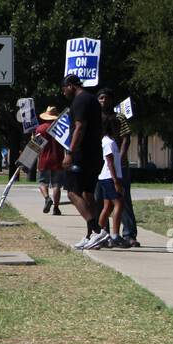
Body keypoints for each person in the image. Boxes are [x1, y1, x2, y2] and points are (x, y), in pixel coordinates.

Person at [61, 74, 103, 249]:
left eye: (64, 89)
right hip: (94, 153)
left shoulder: (80, 101)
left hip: (81, 154)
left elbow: (80, 127)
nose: (63, 93)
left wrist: (70, 152)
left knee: (72, 192)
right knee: (87, 194)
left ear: (71, 86)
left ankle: (97, 230)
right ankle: (91, 236)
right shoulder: (92, 100)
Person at [97, 88, 138, 248]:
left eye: (106, 98)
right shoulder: (94, 118)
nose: (103, 101)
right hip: (101, 166)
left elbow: (126, 138)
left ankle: (129, 235)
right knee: (102, 202)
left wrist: (119, 158)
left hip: (119, 165)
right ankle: (103, 234)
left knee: (123, 200)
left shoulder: (119, 117)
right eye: (100, 98)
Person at [89, 114, 125, 249]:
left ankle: (99, 233)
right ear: (112, 128)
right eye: (117, 127)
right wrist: (116, 181)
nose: (119, 130)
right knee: (119, 204)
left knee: (108, 207)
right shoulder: (109, 142)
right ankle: (115, 235)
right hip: (110, 177)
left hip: (106, 177)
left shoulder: (107, 141)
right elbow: (110, 163)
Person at [34, 106, 65, 215]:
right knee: (56, 185)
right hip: (58, 159)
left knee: (43, 182)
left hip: (44, 159)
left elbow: (36, 146)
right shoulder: (62, 129)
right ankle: (56, 208)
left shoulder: (40, 129)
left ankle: (47, 198)